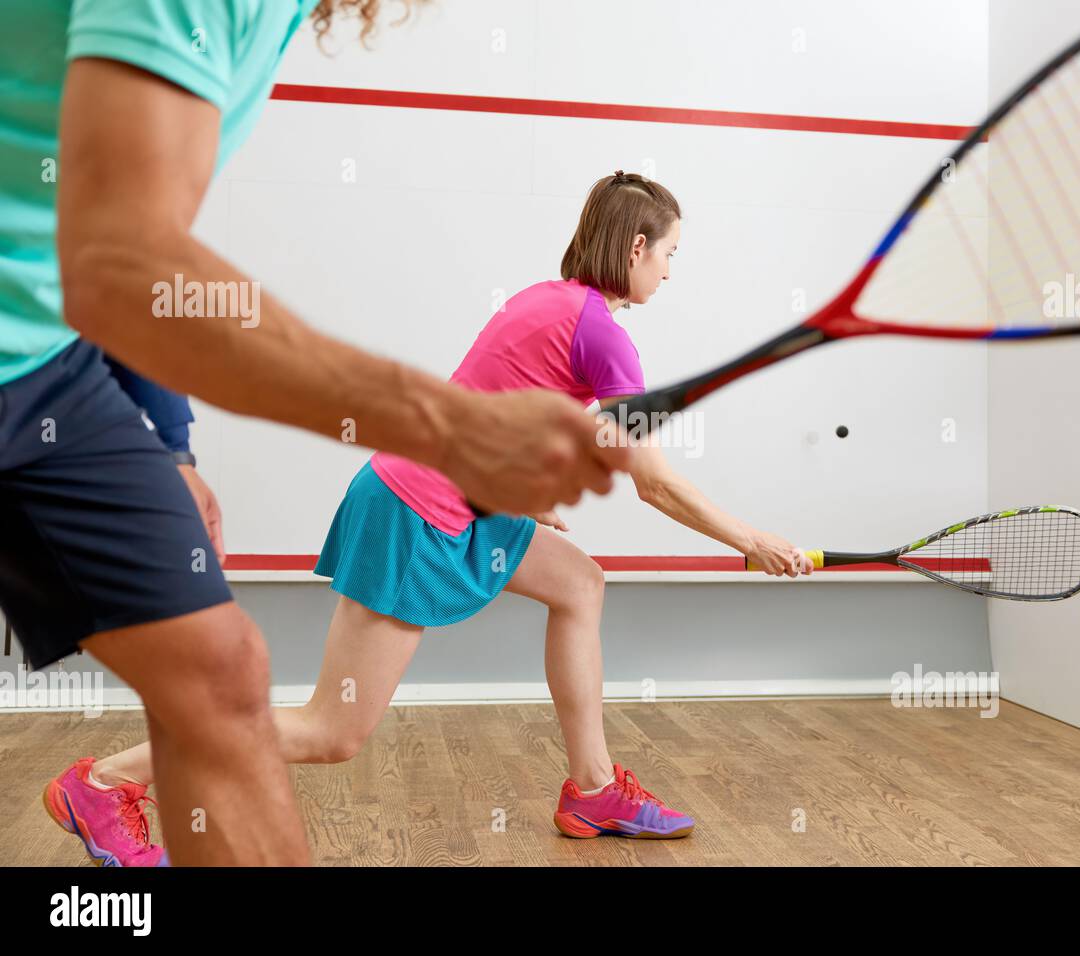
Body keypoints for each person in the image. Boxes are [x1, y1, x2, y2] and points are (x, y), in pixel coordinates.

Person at [5, 0, 628, 866]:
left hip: (41, 362)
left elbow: (119, 246)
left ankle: (102, 789)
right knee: (315, 720)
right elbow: (126, 262)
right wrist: (451, 428)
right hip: (45, 356)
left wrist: (170, 444)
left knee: (218, 677)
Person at [56, 171, 813, 857]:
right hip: (412, 512)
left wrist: (521, 492)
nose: (672, 272)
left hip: (448, 502)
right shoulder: (605, 335)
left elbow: (492, 406)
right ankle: (106, 781)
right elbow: (652, 484)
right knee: (332, 733)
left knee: (579, 584)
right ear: (639, 245)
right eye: (672, 254)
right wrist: (752, 539)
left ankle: (591, 789)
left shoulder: (547, 302)